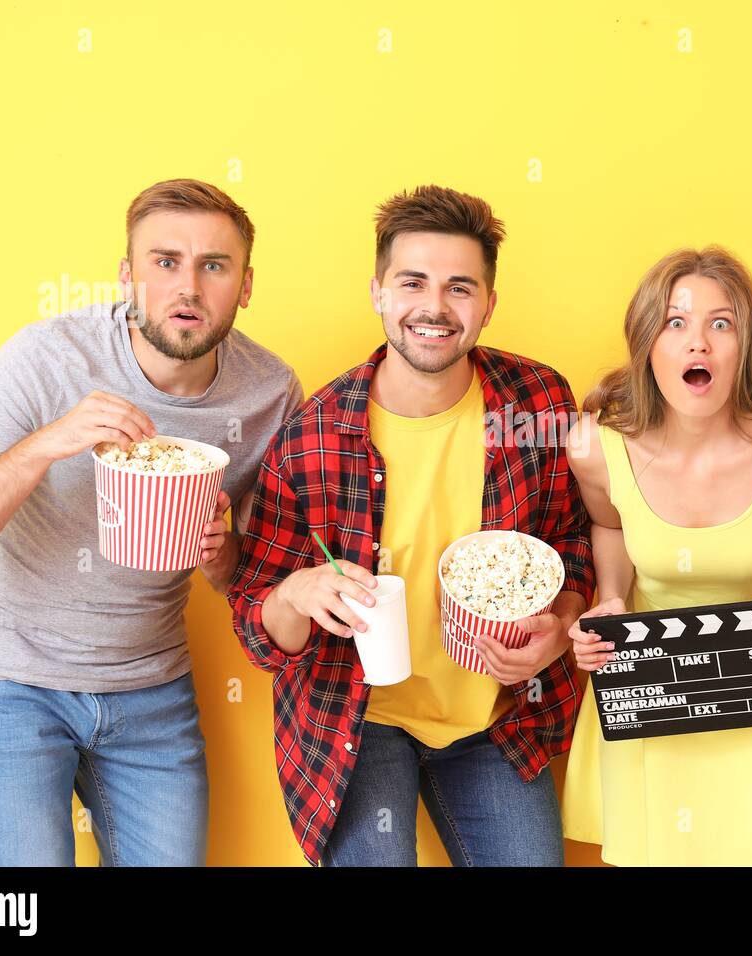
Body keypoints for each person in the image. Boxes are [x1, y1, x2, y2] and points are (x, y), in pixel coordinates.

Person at [0, 178, 303, 866]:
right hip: (9, 682)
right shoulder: (47, 357)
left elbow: (259, 581)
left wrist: (223, 557)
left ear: (244, 285)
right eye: (163, 261)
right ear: (127, 275)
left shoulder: (270, 392)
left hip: (151, 687)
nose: (188, 287)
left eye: (214, 265)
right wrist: (47, 442)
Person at [227, 185, 594, 867]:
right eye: (413, 282)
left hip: (497, 719)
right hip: (355, 723)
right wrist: (294, 595)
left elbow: (572, 542)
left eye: (460, 287)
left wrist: (559, 632)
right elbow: (257, 629)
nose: (434, 306)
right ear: (378, 292)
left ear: (488, 302)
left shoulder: (537, 401)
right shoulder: (312, 438)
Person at [562, 246, 752, 866]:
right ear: (647, 344)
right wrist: (608, 599)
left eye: (722, 324)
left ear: (746, 345)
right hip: (650, 680)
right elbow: (607, 526)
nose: (700, 344)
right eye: (676, 323)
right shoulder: (595, 445)